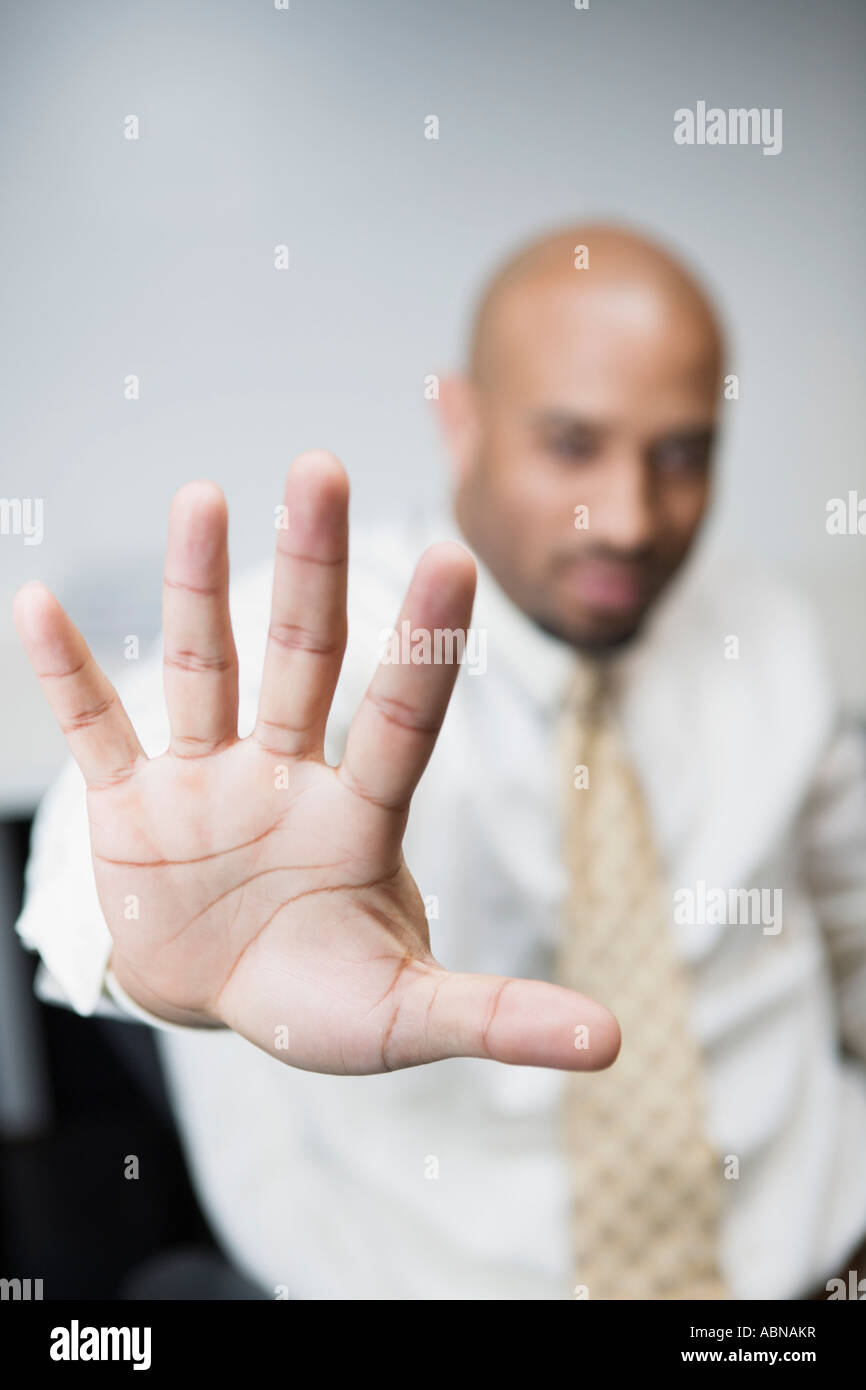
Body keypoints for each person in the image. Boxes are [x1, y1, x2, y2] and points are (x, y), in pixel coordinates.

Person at [13, 224, 866, 1300]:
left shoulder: (764, 628)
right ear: (459, 420)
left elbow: (850, 932)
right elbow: (98, 836)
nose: (630, 518)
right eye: (569, 444)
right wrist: (137, 942)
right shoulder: (320, 644)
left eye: (681, 453)